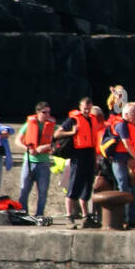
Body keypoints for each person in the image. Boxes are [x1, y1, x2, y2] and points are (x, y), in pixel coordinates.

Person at [55, 96, 99, 229]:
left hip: (89, 154)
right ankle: (69, 216)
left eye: (89, 108)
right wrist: (72, 132)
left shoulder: (92, 119)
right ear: (80, 107)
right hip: (78, 155)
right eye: (85, 108)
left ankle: (86, 217)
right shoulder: (73, 119)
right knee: (74, 185)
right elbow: (57, 134)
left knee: (87, 185)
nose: (87, 110)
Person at [14, 101, 55, 219]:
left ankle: (39, 215)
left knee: (42, 191)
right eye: (44, 112)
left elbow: (57, 142)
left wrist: (46, 147)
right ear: (37, 112)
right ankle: (23, 215)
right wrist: (27, 148)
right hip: (29, 161)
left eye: (49, 112)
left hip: (44, 163)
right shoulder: (29, 123)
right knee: (24, 190)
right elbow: (17, 140)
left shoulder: (52, 125)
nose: (47, 115)